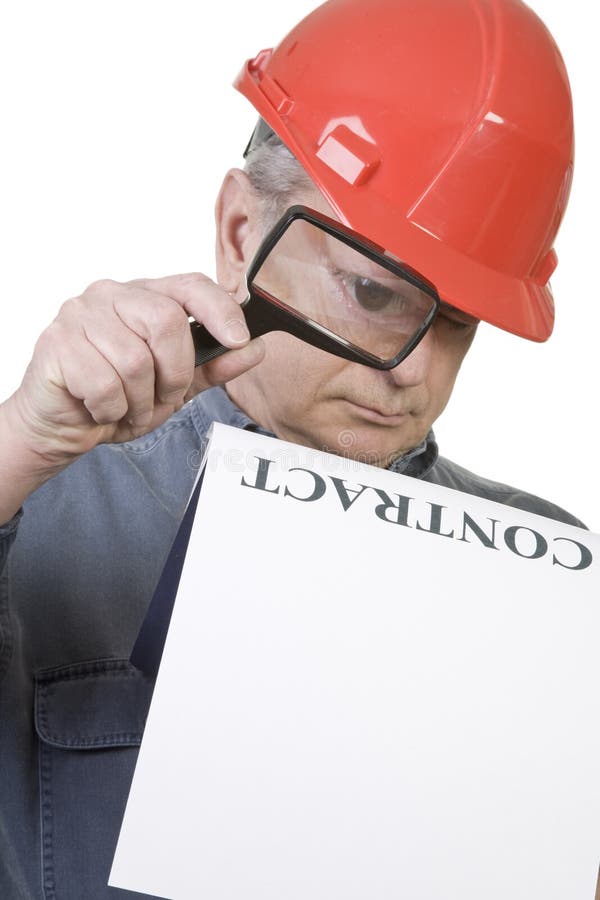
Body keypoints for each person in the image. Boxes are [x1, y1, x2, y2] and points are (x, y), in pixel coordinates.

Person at [0, 0, 584, 896]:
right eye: (375, 295)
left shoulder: (547, 590)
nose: (412, 375)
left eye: (460, 322)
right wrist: (20, 443)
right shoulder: (38, 499)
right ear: (242, 235)